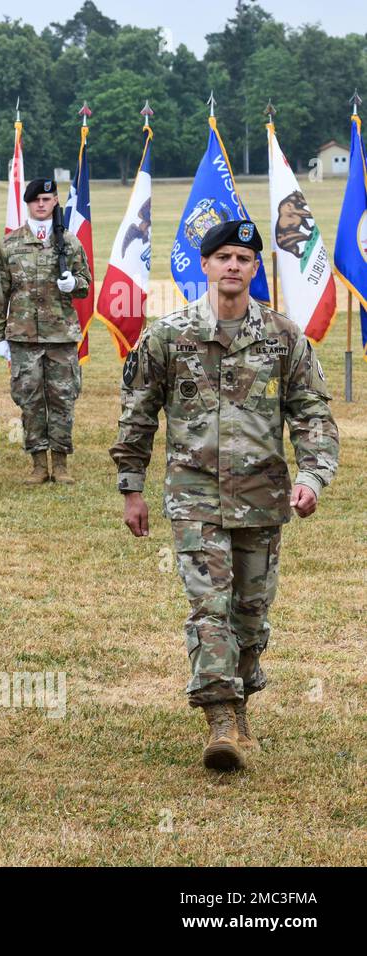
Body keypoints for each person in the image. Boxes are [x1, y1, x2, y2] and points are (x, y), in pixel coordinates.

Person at [110, 219, 339, 772]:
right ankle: (220, 720)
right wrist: (131, 488)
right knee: (208, 607)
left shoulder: (283, 337)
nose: (233, 266)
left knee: (251, 614)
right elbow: (137, 417)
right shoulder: (168, 336)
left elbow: (313, 416)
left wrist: (312, 477)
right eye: (223, 258)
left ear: (256, 268)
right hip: (195, 498)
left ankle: (241, 704)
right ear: (205, 266)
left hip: (264, 497)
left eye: (243, 258)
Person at [0, 177, 91, 484]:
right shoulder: (9, 246)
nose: (41, 204)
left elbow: (85, 287)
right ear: (28, 204)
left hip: (60, 335)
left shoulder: (69, 243)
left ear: (55, 201)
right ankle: (38, 463)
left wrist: (74, 284)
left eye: (47, 199)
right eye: (36, 200)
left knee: (62, 399)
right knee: (29, 399)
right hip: (23, 337)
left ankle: (60, 463)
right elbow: (0, 294)